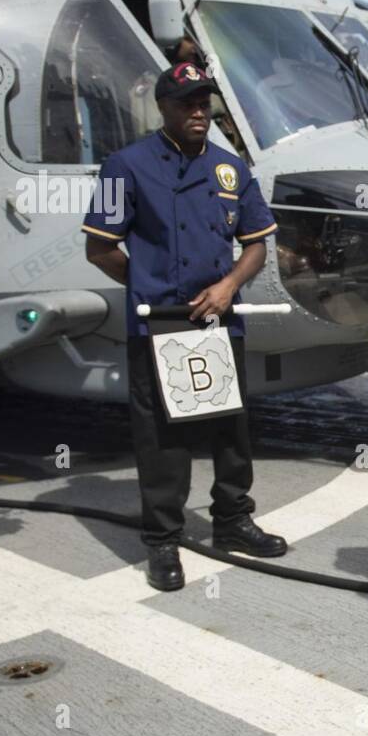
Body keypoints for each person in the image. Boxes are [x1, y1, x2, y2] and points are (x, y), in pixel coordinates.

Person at [82, 62, 287, 591]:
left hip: (218, 320)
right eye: (187, 103)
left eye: (205, 103)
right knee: (162, 440)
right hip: (158, 325)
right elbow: (99, 247)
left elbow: (257, 244)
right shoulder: (121, 167)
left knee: (230, 430)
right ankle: (163, 541)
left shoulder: (231, 169)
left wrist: (226, 287)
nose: (199, 112)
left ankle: (233, 521)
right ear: (164, 108)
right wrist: (147, 285)